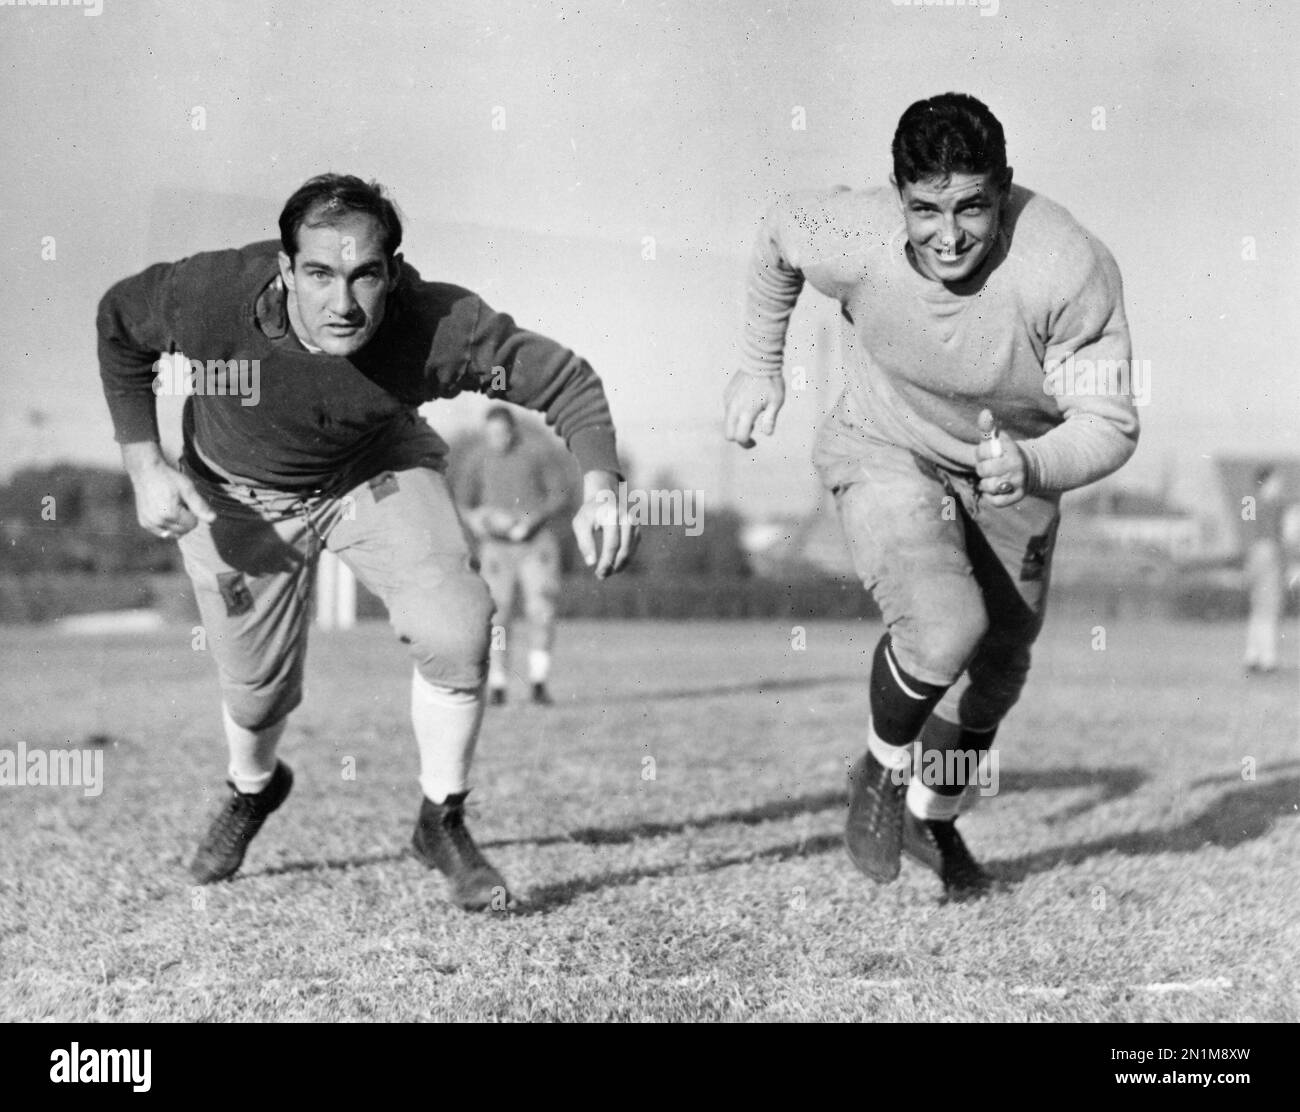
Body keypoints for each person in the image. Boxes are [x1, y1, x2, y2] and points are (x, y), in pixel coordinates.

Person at [97, 174, 636, 912]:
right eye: (318, 274)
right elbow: (120, 323)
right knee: (254, 697)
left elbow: (566, 381)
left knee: (458, 627)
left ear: (394, 271)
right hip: (238, 493)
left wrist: (600, 483)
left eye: (365, 276)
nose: (343, 304)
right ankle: (253, 790)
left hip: (371, 470)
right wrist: (143, 462)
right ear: (284, 271)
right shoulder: (210, 292)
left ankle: (441, 821)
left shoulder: (437, 326)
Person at [724, 93, 1140, 900]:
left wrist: (1033, 462)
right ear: (897, 196)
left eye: (972, 208)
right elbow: (778, 231)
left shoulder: (1065, 265)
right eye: (925, 210)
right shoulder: (852, 233)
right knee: (946, 627)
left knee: (998, 669)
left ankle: (931, 815)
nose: (948, 236)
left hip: (1007, 466)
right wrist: (758, 363)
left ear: (1005, 190)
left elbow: (1110, 423)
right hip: (886, 444)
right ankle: (878, 774)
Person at [458, 406, 572, 706]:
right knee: (498, 616)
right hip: (496, 547)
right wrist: (476, 520)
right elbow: (463, 502)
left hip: (535, 544)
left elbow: (560, 494)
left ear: (513, 430)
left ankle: (538, 682)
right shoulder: (477, 458)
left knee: (541, 610)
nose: (497, 439)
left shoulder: (536, 453)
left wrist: (532, 519)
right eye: (491, 433)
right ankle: (497, 684)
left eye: (502, 432)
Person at [1243, 465, 1287, 674]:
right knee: (1269, 607)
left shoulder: (1249, 501)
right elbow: (1281, 536)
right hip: (1269, 553)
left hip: (1254, 554)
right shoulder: (1277, 505)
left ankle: (1252, 654)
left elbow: (1247, 532)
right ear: (1266, 481)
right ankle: (1268, 658)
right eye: (1276, 481)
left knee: (1257, 608)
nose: (1279, 485)